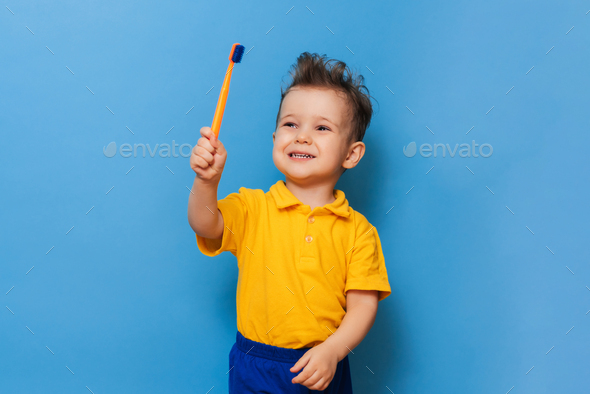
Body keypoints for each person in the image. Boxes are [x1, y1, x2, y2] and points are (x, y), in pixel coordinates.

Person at [187, 52, 391, 393]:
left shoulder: (358, 231)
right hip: (256, 364)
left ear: (351, 154)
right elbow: (205, 225)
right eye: (290, 124)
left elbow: (363, 306)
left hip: (321, 365)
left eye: (322, 127)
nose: (301, 137)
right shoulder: (253, 207)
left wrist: (332, 351)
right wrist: (206, 182)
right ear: (274, 140)